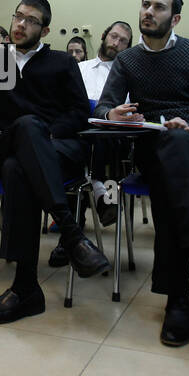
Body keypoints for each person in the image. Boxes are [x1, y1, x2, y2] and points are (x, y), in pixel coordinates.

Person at [0, 0, 111, 324]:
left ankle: (25, 289)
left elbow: (79, 113)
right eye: (18, 16)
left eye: (31, 20)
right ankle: (72, 233)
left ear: (45, 30)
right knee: (22, 132)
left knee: (18, 166)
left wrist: (44, 135)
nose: (20, 24)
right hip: (7, 142)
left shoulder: (63, 62)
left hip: (55, 148)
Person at [94, 0, 189, 345]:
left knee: (170, 167)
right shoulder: (128, 60)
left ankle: (178, 296)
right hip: (151, 147)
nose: (148, 11)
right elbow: (103, 109)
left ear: (175, 19)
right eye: (145, 5)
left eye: (158, 7)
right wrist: (112, 113)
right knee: (165, 158)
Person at [77, 20, 133, 225]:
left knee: (102, 138)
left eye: (123, 41)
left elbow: (127, 108)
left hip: (112, 133)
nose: (116, 43)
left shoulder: (127, 74)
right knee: (72, 145)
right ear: (104, 35)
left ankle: (99, 205)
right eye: (114, 36)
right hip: (80, 129)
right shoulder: (80, 68)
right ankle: (102, 196)